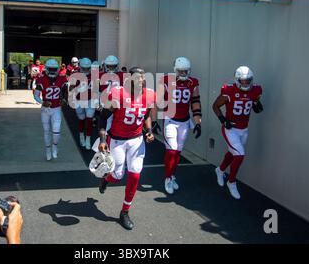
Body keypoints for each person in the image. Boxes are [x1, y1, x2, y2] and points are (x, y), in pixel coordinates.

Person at [97, 67, 156, 230]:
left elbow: (146, 116)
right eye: (137, 77)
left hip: (136, 140)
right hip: (117, 140)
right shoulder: (118, 94)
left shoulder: (149, 94)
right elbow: (102, 118)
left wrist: (149, 131)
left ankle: (124, 211)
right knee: (117, 175)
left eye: (143, 77)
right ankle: (106, 179)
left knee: (135, 174)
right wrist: (103, 140)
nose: (141, 80)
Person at [212, 66, 263, 199]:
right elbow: (215, 106)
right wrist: (223, 120)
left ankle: (220, 169)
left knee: (232, 152)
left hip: (244, 129)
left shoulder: (256, 90)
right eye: (243, 81)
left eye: (248, 80)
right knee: (239, 155)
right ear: (237, 80)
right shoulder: (229, 91)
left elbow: (256, 102)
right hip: (231, 129)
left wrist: (257, 104)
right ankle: (232, 181)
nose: (246, 83)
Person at [157, 57, 202, 195]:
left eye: (185, 71)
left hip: (184, 121)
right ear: (175, 70)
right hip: (170, 119)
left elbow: (195, 101)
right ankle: (167, 178)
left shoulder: (193, 82)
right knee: (171, 151)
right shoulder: (166, 80)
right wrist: (153, 121)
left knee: (177, 152)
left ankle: (172, 175)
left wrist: (198, 122)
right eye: (180, 71)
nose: (183, 73)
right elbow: (156, 100)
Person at [34, 59, 68, 160]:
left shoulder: (62, 79)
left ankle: (55, 146)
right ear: (47, 69)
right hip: (45, 110)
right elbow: (36, 96)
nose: (52, 71)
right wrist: (42, 102)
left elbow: (66, 92)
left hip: (56, 108)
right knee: (46, 131)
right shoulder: (41, 79)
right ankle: (48, 149)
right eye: (51, 69)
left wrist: (64, 100)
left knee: (56, 132)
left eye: (54, 69)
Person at [69, 58, 95, 150]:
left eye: (88, 68)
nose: (86, 70)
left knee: (89, 119)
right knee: (81, 119)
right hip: (79, 100)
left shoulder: (94, 75)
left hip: (90, 100)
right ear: (80, 67)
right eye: (84, 68)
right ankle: (81, 136)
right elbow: (71, 89)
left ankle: (88, 139)